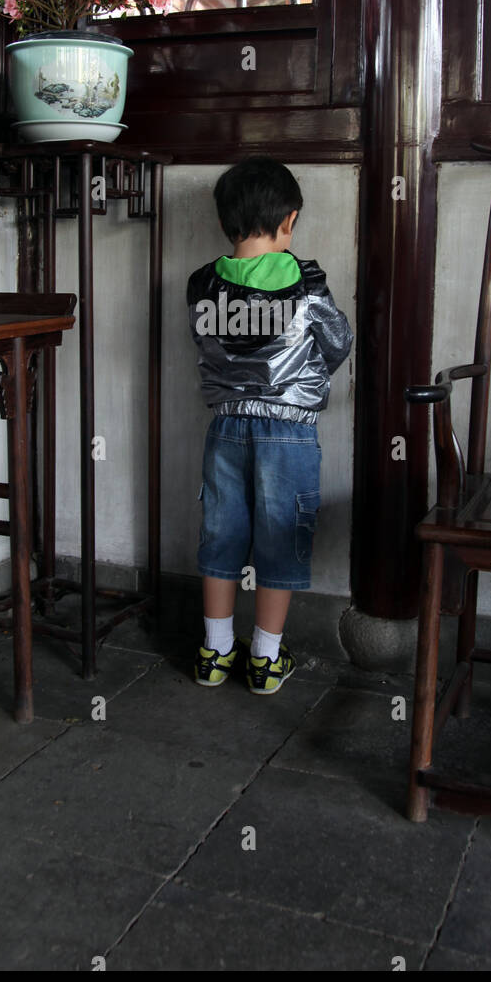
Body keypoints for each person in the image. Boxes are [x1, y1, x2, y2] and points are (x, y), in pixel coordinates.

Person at [186, 156, 353, 694]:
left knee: (222, 534)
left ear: (224, 222)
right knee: (281, 537)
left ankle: (214, 652)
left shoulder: (202, 284)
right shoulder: (307, 283)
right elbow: (337, 344)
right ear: (290, 221)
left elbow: (206, 347)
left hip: (226, 428)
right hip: (290, 430)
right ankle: (264, 659)